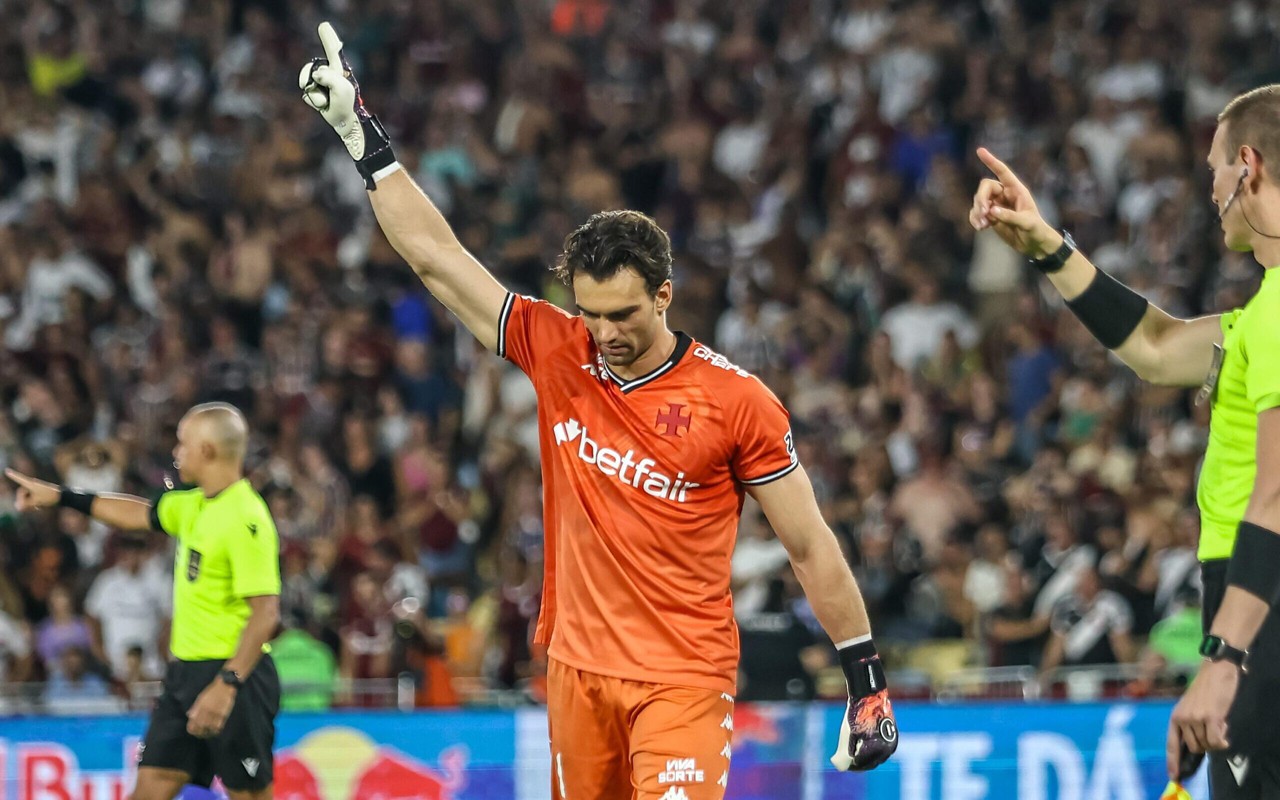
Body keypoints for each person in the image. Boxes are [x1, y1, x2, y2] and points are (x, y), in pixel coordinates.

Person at [300, 22, 896, 799]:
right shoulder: (559, 348)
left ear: (664, 294)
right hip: (576, 672)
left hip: (682, 678)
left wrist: (866, 678)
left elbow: (809, 544)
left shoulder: (737, 401)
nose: (606, 334)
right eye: (591, 313)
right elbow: (438, 259)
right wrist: (362, 137)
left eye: (623, 315)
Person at [971, 84, 1280, 797]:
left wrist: (1225, 658)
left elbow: (1275, 495)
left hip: (1261, 604)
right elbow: (1157, 347)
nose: (1210, 189)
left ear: (1248, 166)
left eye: (1215, 168)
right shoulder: (1261, 312)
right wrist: (1047, 245)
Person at [6, 402, 280, 800]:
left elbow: (266, 613)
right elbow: (139, 513)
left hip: (235, 677)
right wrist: (61, 496)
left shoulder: (246, 518)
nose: (176, 452)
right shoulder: (195, 505)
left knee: (251, 796)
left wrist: (227, 684)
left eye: (183, 443)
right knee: (148, 790)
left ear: (207, 451)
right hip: (185, 676)